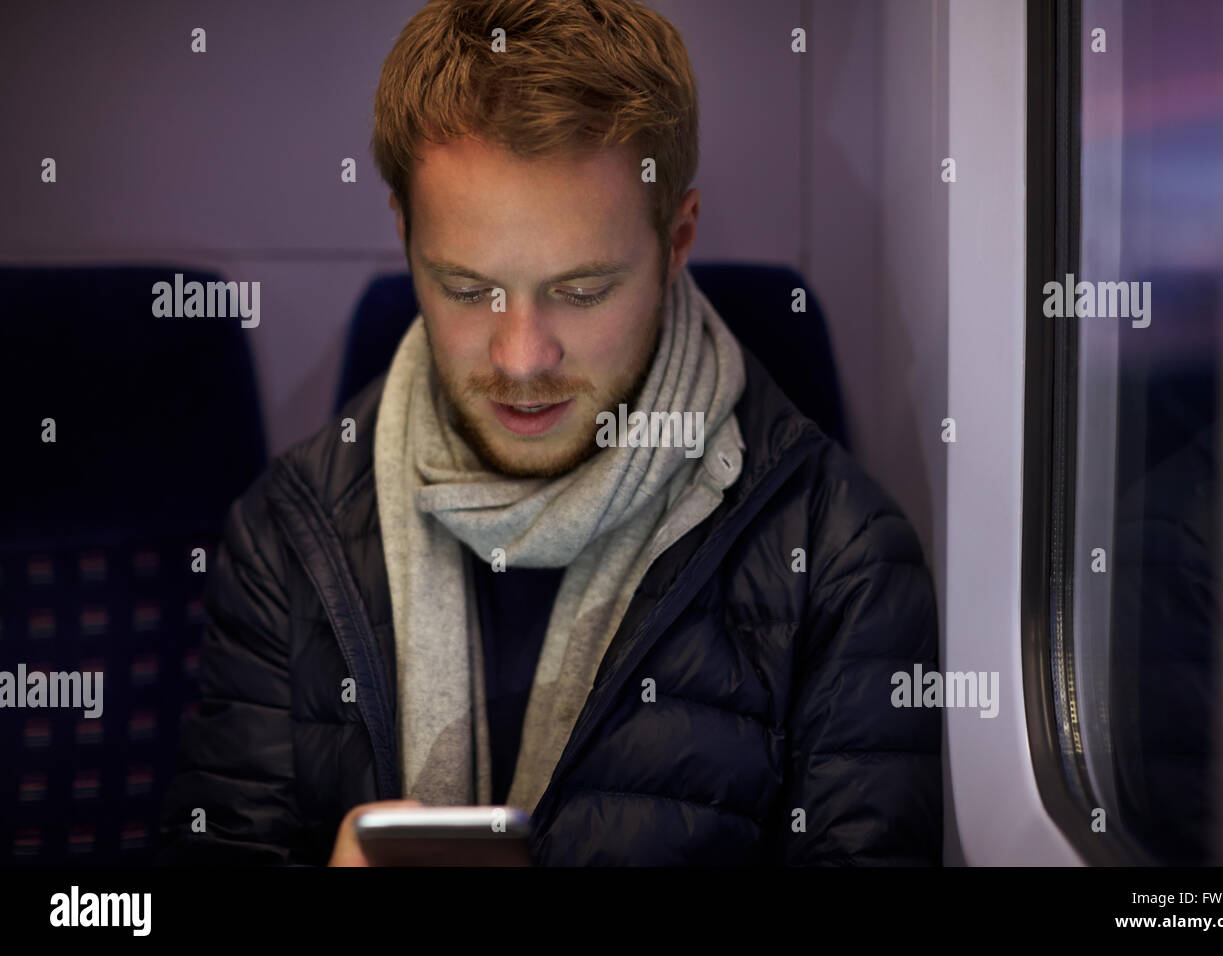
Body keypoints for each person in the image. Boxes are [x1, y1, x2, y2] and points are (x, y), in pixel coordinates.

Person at [156, 0, 941, 866]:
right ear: (402, 234)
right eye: (464, 288)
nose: (522, 358)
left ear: (678, 238)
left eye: (583, 290)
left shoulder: (845, 563)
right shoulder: (286, 537)